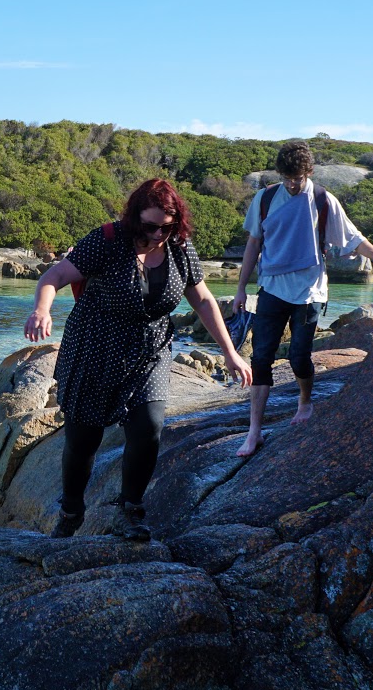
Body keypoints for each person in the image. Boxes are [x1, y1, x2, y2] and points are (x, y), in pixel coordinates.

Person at [24, 178, 253, 540]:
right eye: (150, 226)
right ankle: (71, 511)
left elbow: (204, 300)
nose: (159, 234)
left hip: (150, 350)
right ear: (134, 218)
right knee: (84, 440)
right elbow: (56, 276)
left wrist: (230, 353)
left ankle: (130, 510)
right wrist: (41, 310)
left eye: (168, 226)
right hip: (95, 346)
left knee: (148, 428)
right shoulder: (107, 240)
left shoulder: (179, 246)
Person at [234, 141, 373, 457]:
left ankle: (305, 402)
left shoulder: (323, 201)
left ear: (308, 172)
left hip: (309, 293)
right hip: (271, 288)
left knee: (300, 356)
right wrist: (240, 288)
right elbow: (253, 244)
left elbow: (351, 239)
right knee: (260, 359)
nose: (291, 184)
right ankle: (254, 431)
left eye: (297, 178)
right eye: (286, 177)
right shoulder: (265, 198)